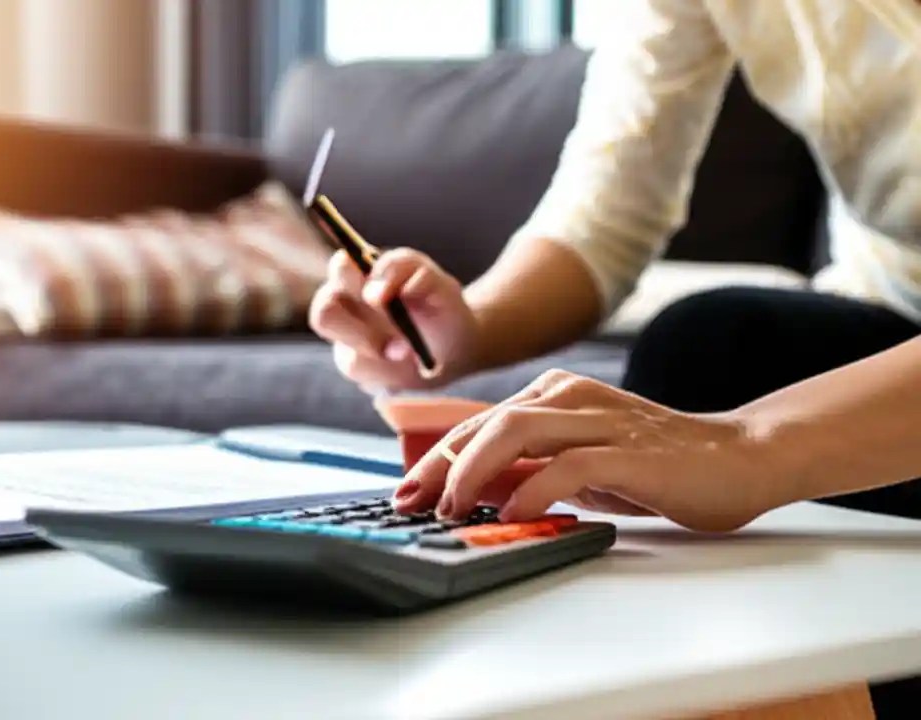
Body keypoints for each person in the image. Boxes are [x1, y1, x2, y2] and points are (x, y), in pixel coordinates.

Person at [308, 0, 921, 531]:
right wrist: (469, 327)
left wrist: (749, 445)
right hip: (892, 310)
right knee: (708, 349)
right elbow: (604, 216)